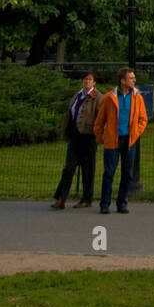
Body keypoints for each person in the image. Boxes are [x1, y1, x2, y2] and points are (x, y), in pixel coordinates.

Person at [94, 68, 148, 214]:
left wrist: (135, 133)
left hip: (129, 140)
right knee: (109, 173)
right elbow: (99, 121)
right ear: (122, 81)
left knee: (127, 173)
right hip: (112, 140)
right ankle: (104, 203)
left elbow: (143, 119)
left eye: (134, 78)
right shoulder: (109, 98)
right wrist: (100, 136)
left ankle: (122, 202)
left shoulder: (137, 98)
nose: (134, 80)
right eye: (131, 78)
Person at [51, 71, 102, 209]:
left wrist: (97, 135)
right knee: (68, 168)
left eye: (90, 80)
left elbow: (101, 117)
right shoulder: (77, 95)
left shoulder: (97, 98)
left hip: (89, 137)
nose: (87, 82)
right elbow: (70, 113)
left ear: (94, 82)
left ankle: (86, 198)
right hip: (75, 136)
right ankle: (61, 198)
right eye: (85, 79)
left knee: (87, 170)